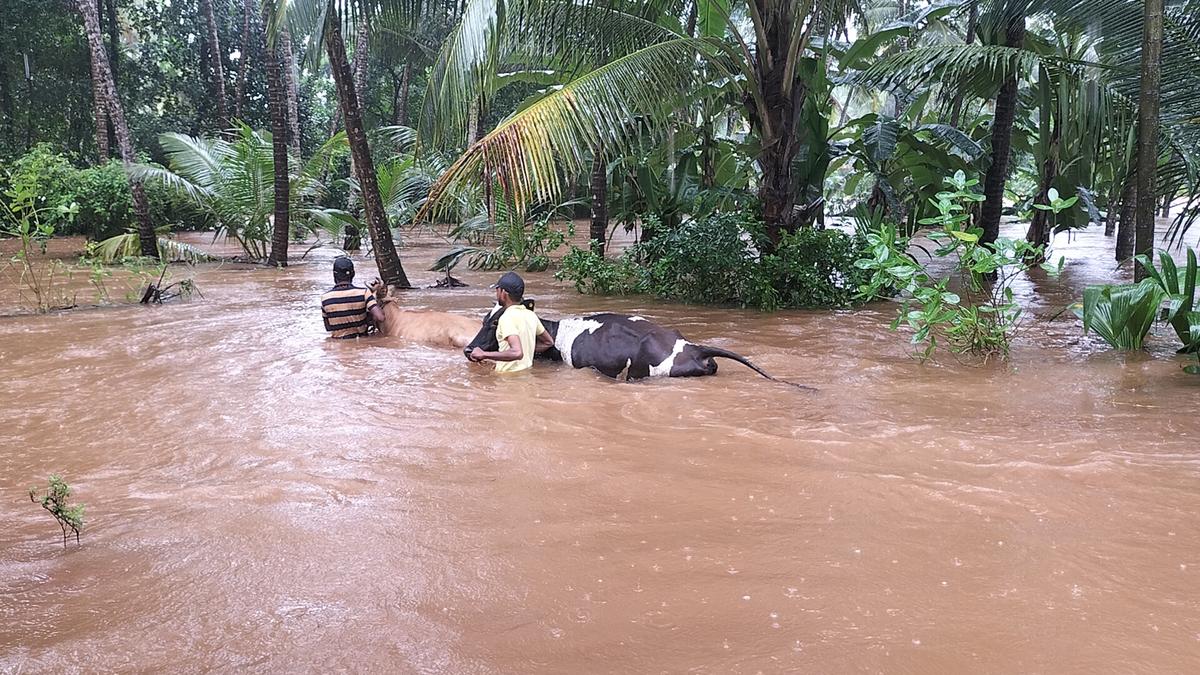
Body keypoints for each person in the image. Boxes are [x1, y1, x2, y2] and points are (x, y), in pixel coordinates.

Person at [469, 271, 554, 373]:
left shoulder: (506, 318)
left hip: (507, 379)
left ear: (504, 293)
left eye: (497, 290)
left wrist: (484, 354)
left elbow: (517, 353)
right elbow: (548, 342)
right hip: (526, 375)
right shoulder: (531, 315)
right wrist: (528, 350)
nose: (497, 294)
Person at [320, 256, 386, 339]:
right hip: (361, 342)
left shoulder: (325, 298)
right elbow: (380, 317)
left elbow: (328, 327)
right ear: (353, 274)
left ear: (334, 275)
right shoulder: (364, 293)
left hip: (338, 346)